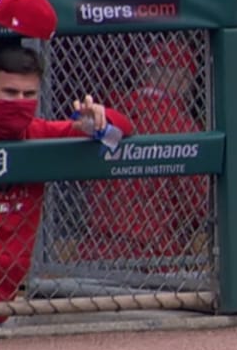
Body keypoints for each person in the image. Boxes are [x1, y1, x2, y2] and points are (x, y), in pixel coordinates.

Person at [0, 36, 134, 325]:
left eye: (29, 95)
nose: (20, 103)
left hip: (3, 302)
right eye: (10, 92)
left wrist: (98, 122)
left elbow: (122, 132)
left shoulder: (39, 132)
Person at [83, 39, 207, 265]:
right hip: (153, 253)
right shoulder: (177, 123)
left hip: (96, 248)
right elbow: (199, 200)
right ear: (181, 77)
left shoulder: (108, 112)